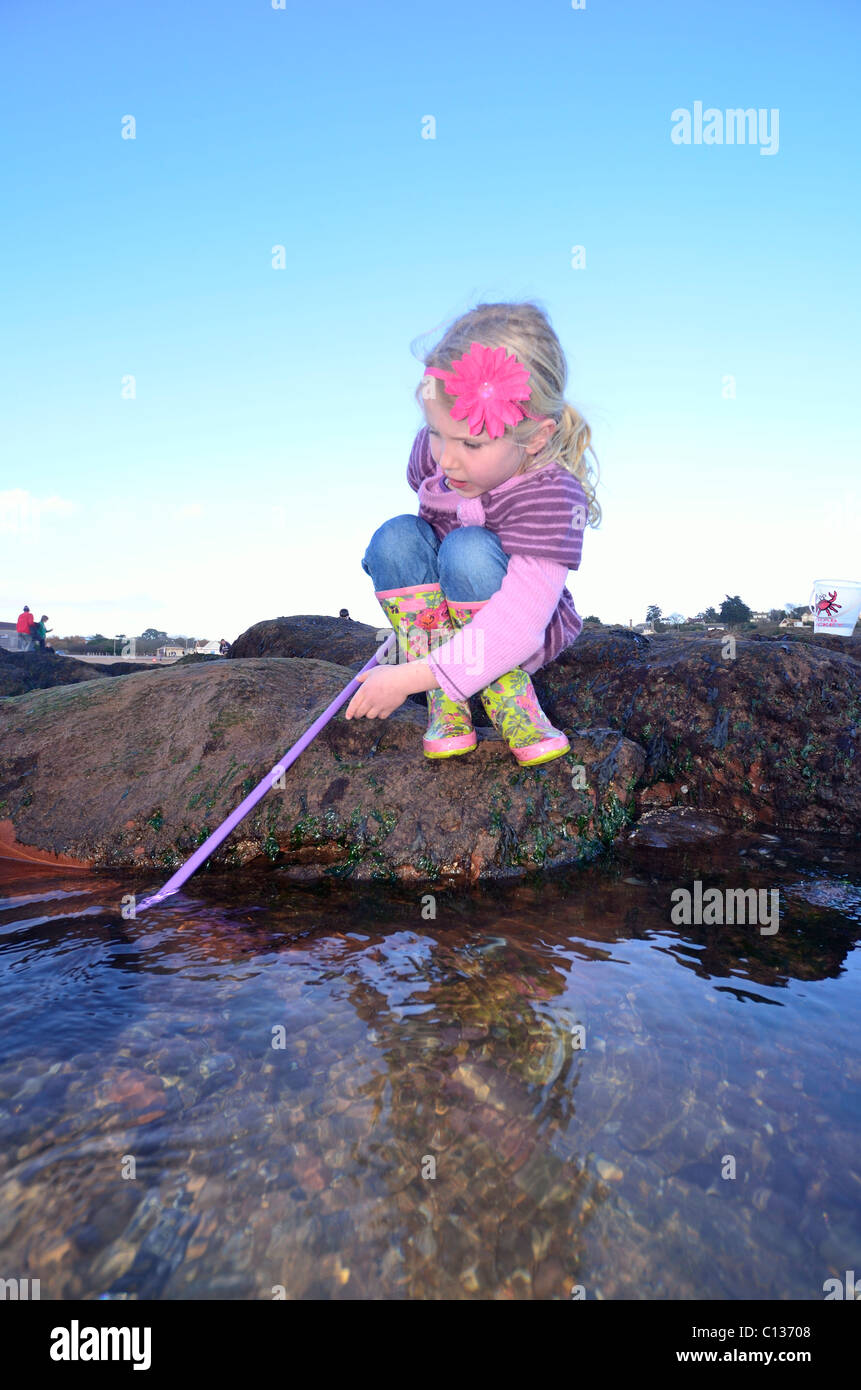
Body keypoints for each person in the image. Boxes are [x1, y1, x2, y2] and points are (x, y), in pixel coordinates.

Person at [345, 301, 600, 766]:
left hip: (514, 631)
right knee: (395, 537)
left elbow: (518, 626)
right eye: (436, 432)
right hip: (444, 622)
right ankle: (449, 701)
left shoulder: (551, 496)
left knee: (467, 551)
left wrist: (404, 679)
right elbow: (421, 529)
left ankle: (509, 698)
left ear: (536, 438)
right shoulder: (437, 452)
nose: (445, 460)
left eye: (472, 443)